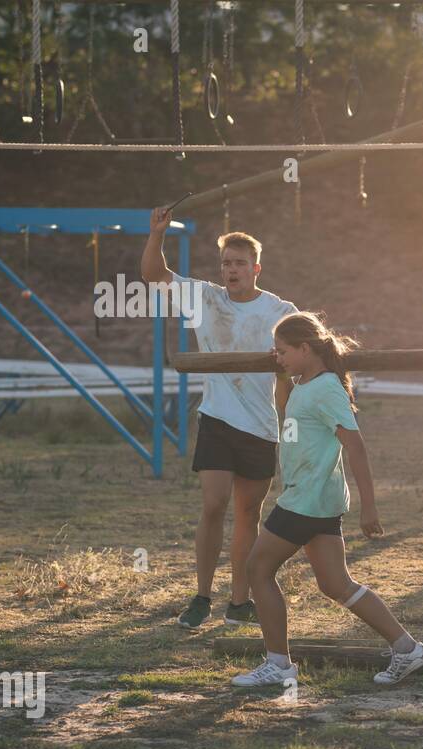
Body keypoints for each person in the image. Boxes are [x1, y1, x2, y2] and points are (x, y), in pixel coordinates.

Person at [231, 312, 423, 688]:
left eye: (284, 351)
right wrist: (281, 375)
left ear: (306, 348)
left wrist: (370, 506)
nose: (279, 357)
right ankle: (407, 648)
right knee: (336, 584)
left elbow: (355, 446)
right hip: (317, 497)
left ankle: (279, 664)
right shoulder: (305, 383)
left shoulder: (325, 388)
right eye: (276, 353)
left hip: (307, 498)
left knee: (257, 568)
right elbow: (291, 411)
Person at [142, 207, 296, 629]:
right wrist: (156, 234)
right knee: (213, 505)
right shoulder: (204, 297)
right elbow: (154, 275)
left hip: (261, 425)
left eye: (240, 263)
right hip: (217, 419)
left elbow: (302, 355)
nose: (232, 270)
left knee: (249, 513)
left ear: (256, 268)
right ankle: (202, 596)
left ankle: (239, 601)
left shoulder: (279, 309)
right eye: (226, 263)